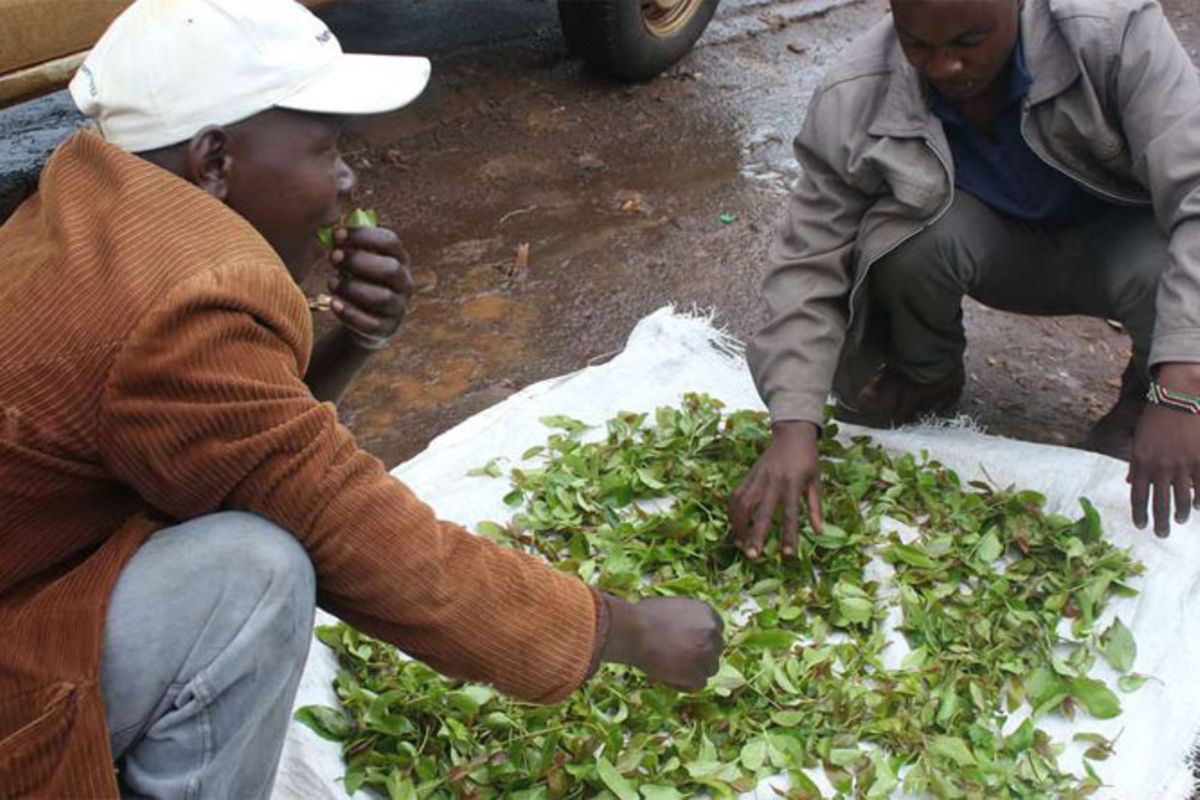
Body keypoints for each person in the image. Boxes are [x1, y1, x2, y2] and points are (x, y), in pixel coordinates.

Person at [0, 1, 723, 796]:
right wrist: (621, 630)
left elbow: (233, 451)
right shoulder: (180, 306)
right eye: (326, 145)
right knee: (257, 575)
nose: (347, 176)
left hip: (32, 568)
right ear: (212, 162)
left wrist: (354, 341)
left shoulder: (93, 203)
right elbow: (344, 525)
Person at [731, 0, 1200, 549]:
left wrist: (1182, 390)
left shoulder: (1111, 33)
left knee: (1173, 258)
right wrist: (793, 425)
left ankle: (1139, 399)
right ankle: (927, 375)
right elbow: (808, 260)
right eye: (919, 45)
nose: (944, 67)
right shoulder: (858, 89)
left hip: (1123, 249)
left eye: (968, 42)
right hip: (991, 249)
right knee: (902, 240)